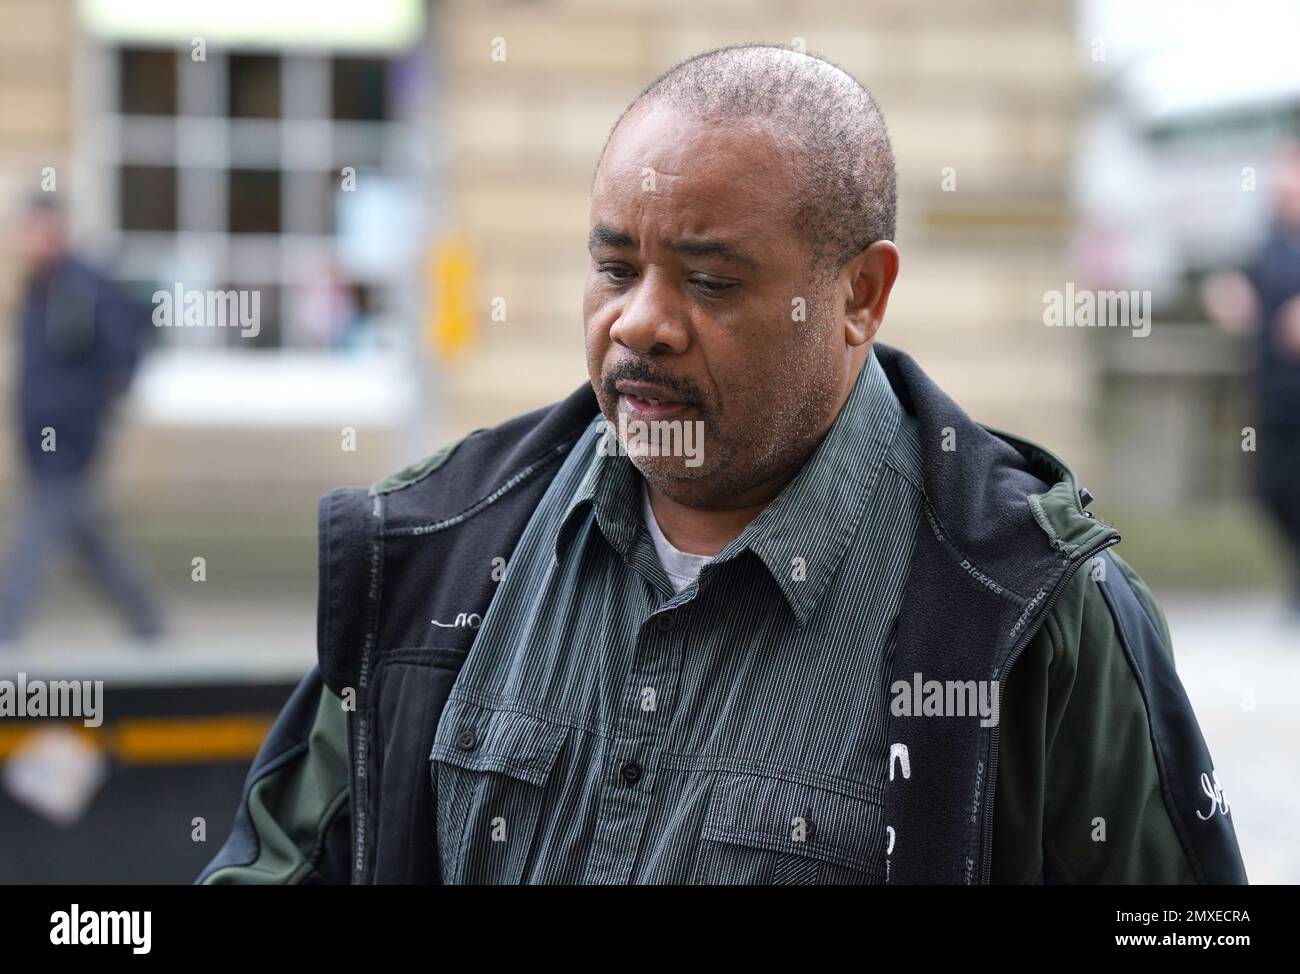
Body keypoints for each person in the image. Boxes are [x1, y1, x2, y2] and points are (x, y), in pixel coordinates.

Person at [202, 46, 1246, 884]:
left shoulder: (1028, 608)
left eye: (707, 280)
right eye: (614, 268)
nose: (640, 322)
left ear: (857, 297)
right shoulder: (439, 545)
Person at [0, 196, 161, 642]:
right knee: (89, 540)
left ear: (54, 229)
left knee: (35, 534)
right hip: (40, 438)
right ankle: (147, 620)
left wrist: (88, 408)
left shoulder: (86, 286)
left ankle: (4, 629)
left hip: (71, 440)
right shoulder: (38, 290)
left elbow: (122, 354)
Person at [1202, 141, 1300, 619]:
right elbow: (1244, 287)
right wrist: (1228, 296)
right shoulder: (1269, 240)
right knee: (1272, 492)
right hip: (1275, 392)